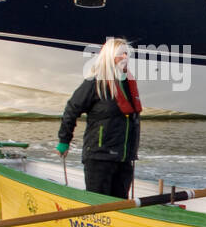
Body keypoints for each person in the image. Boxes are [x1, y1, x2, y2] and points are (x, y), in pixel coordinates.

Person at [56, 37, 142, 199]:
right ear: (109, 57)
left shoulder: (127, 83)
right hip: (100, 156)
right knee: (98, 201)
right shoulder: (94, 83)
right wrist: (64, 140)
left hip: (124, 158)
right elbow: (72, 110)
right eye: (120, 54)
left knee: (119, 201)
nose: (125, 58)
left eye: (127, 54)